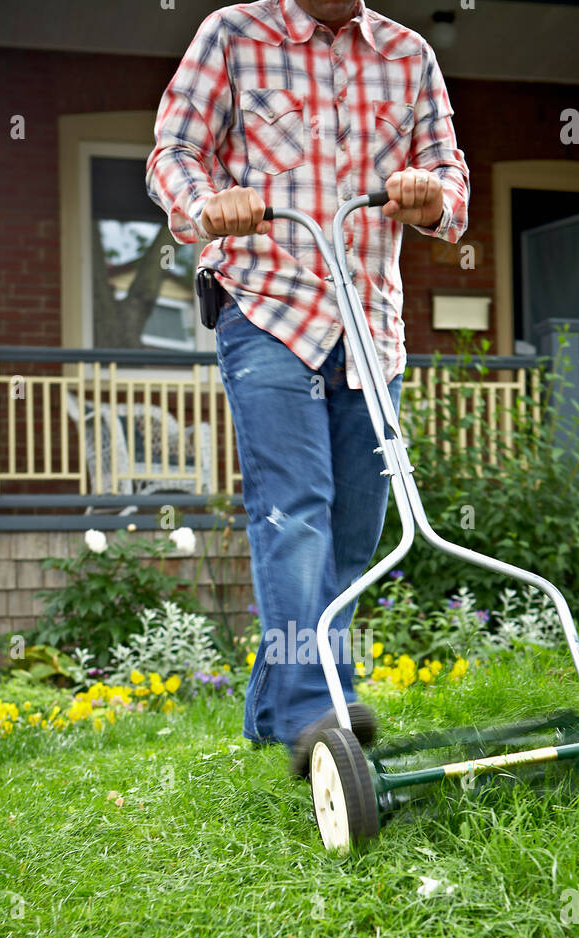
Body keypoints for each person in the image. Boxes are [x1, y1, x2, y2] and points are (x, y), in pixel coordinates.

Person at [146, 0, 469, 775]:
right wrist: (206, 205)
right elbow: (172, 153)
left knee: (354, 533)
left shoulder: (408, 51)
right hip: (266, 309)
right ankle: (317, 715)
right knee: (295, 513)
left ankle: (274, 714)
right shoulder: (233, 34)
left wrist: (434, 200)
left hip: (370, 326)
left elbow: (450, 179)